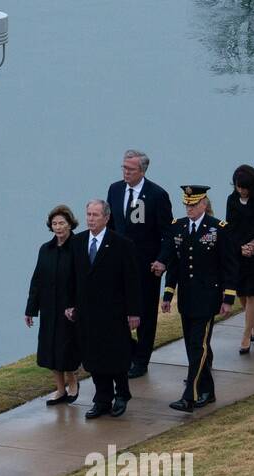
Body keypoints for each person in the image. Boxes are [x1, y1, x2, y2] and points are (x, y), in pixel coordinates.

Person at [157, 185, 239, 412]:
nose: (189, 208)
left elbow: (229, 266)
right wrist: (168, 293)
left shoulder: (218, 229)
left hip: (208, 297)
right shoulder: (178, 227)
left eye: (193, 205)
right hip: (187, 298)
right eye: (187, 204)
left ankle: (189, 395)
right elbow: (174, 262)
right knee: (194, 347)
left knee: (198, 347)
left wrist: (228, 298)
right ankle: (208, 391)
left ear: (203, 204)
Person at [66, 200, 141, 419]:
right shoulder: (78, 242)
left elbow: (132, 281)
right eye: (88, 214)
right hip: (87, 313)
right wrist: (70, 304)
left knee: (115, 357)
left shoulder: (121, 244)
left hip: (113, 312)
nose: (91, 219)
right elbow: (72, 278)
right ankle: (102, 399)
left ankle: (122, 394)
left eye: (95, 215)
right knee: (93, 358)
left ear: (106, 218)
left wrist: (134, 312)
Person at [106, 151, 173, 378]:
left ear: (142, 171)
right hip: (119, 265)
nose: (126, 172)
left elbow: (168, 233)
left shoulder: (157, 195)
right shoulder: (115, 190)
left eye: (131, 169)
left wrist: (162, 260)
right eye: (124, 168)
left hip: (146, 266)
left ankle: (141, 360)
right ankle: (130, 351)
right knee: (116, 311)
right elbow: (112, 226)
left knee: (144, 314)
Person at [25, 204, 81, 405]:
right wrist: (31, 309)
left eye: (62, 223)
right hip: (49, 307)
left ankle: (73, 381)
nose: (58, 227)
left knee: (68, 348)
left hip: (69, 308)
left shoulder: (78, 247)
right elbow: (37, 280)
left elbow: (82, 280)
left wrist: (76, 305)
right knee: (50, 348)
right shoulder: (45, 249)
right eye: (55, 224)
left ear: (70, 224)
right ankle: (59, 389)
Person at [223, 166, 254, 354]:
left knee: (252, 293)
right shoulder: (232, 200)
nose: (242, 191)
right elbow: (230, 227)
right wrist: (240, 248)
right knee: (241, 294)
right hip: (239, 253)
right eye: (238, 187)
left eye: (245, 188)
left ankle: (245, 335)